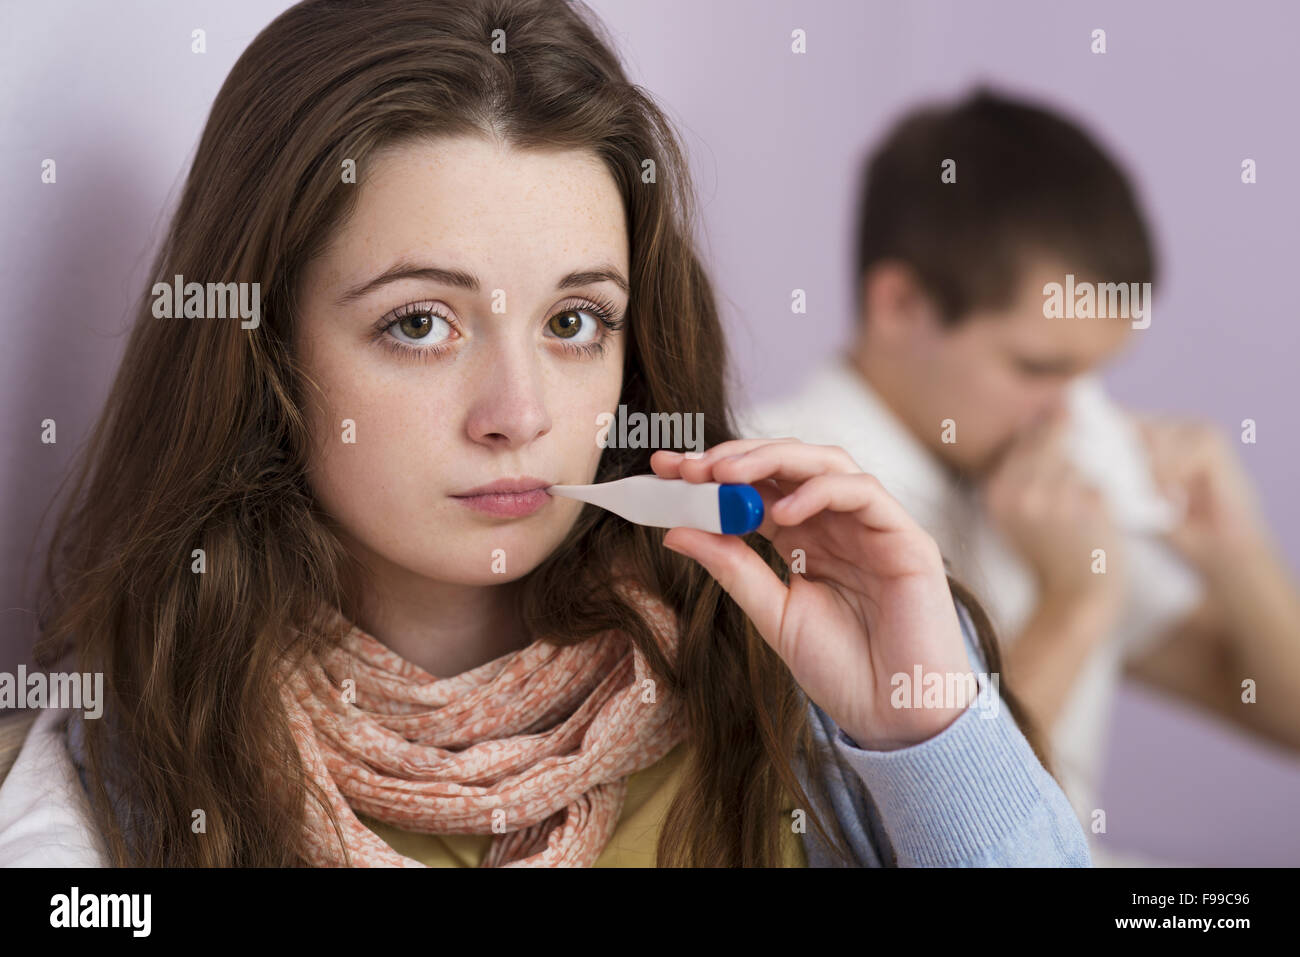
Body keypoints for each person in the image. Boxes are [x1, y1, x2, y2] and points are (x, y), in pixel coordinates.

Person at [0, 2, 1088, 868]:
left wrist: (928, 735)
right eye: (419, 324)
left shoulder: (793, 691)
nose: (518, 413)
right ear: (265, 345)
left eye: (574, 323)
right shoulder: (121, 779)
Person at [742, 88, 1300, 866]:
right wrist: (1075, 604)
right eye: (1039, 367)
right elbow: (880, 840)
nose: (1071, 415)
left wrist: (1234, 546)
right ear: (900, 304)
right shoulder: (775, 499)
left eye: (1097, 376)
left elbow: (1284, 713)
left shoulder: (1027, 485)